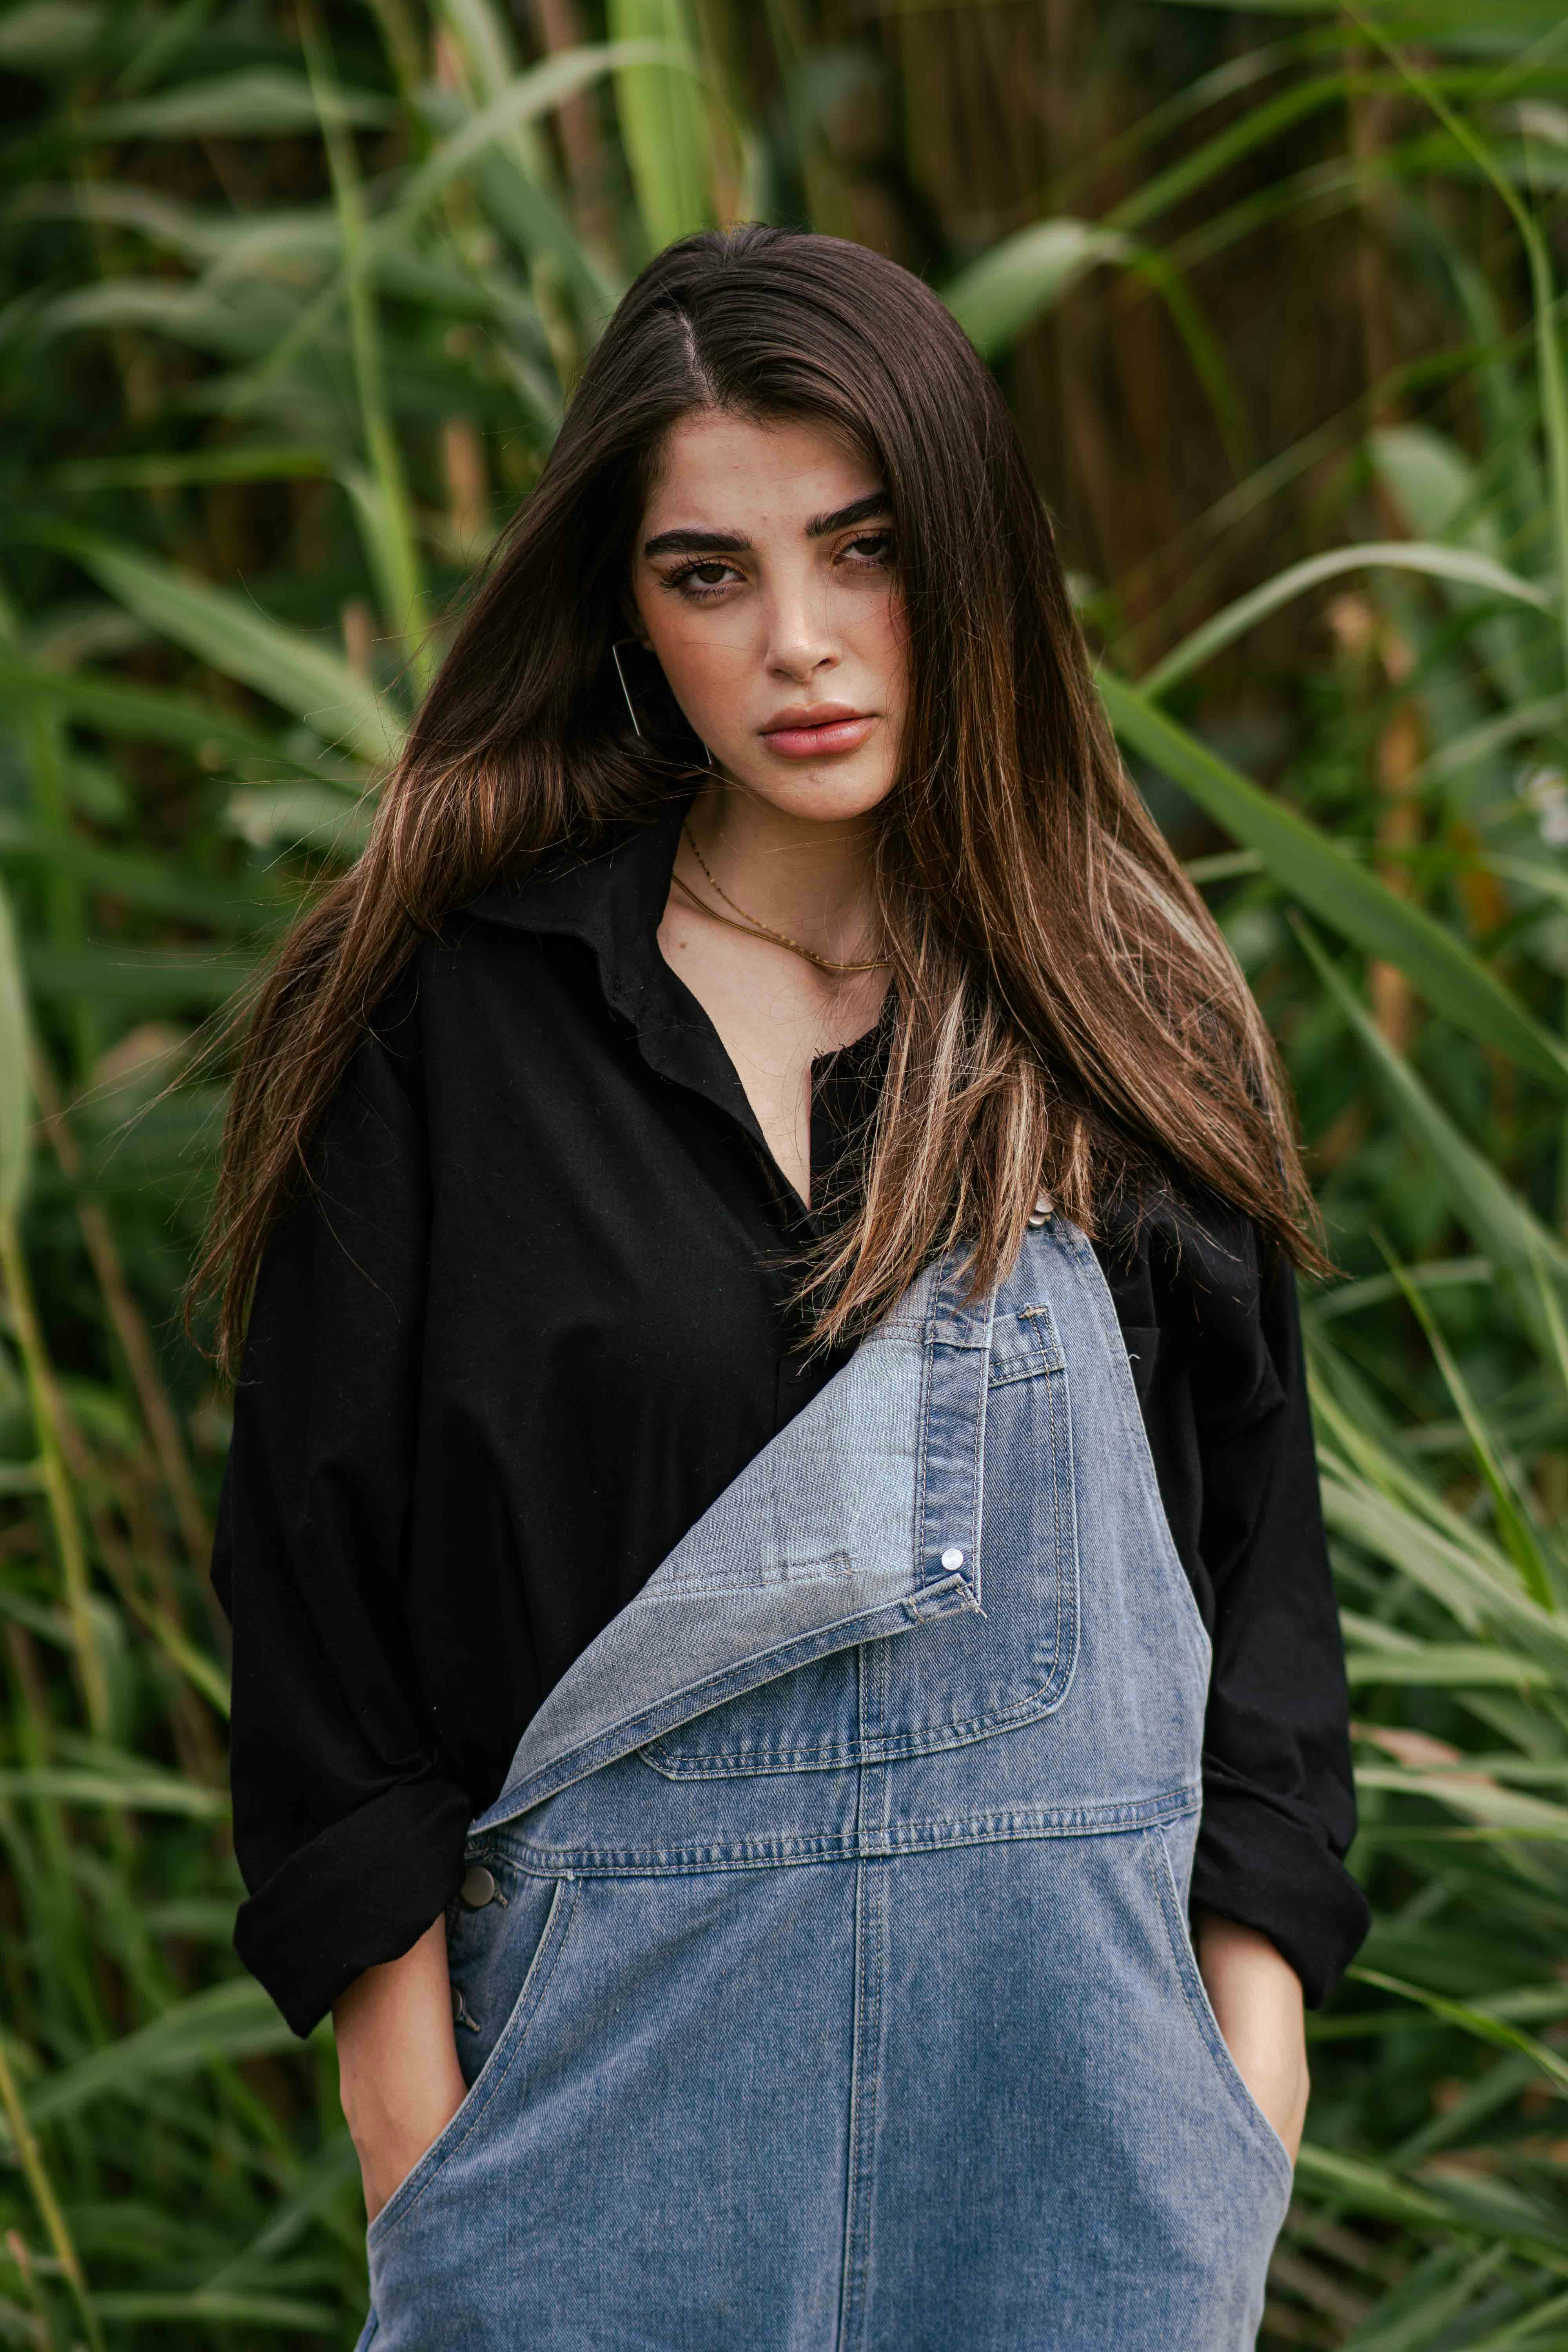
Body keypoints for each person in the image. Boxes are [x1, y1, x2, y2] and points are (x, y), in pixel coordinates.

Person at [203, 225, 1367, 2351]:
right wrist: (423, 2142)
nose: (804, 646)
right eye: (711, 574)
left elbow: (1262, 1630)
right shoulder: (458, 1035)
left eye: (866, 550)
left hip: (1080, 2165)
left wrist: (1240, 2099)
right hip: (591, 2161)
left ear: (978, 560)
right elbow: (310, 1608)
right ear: (630, 614)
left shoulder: (1123, 1035)